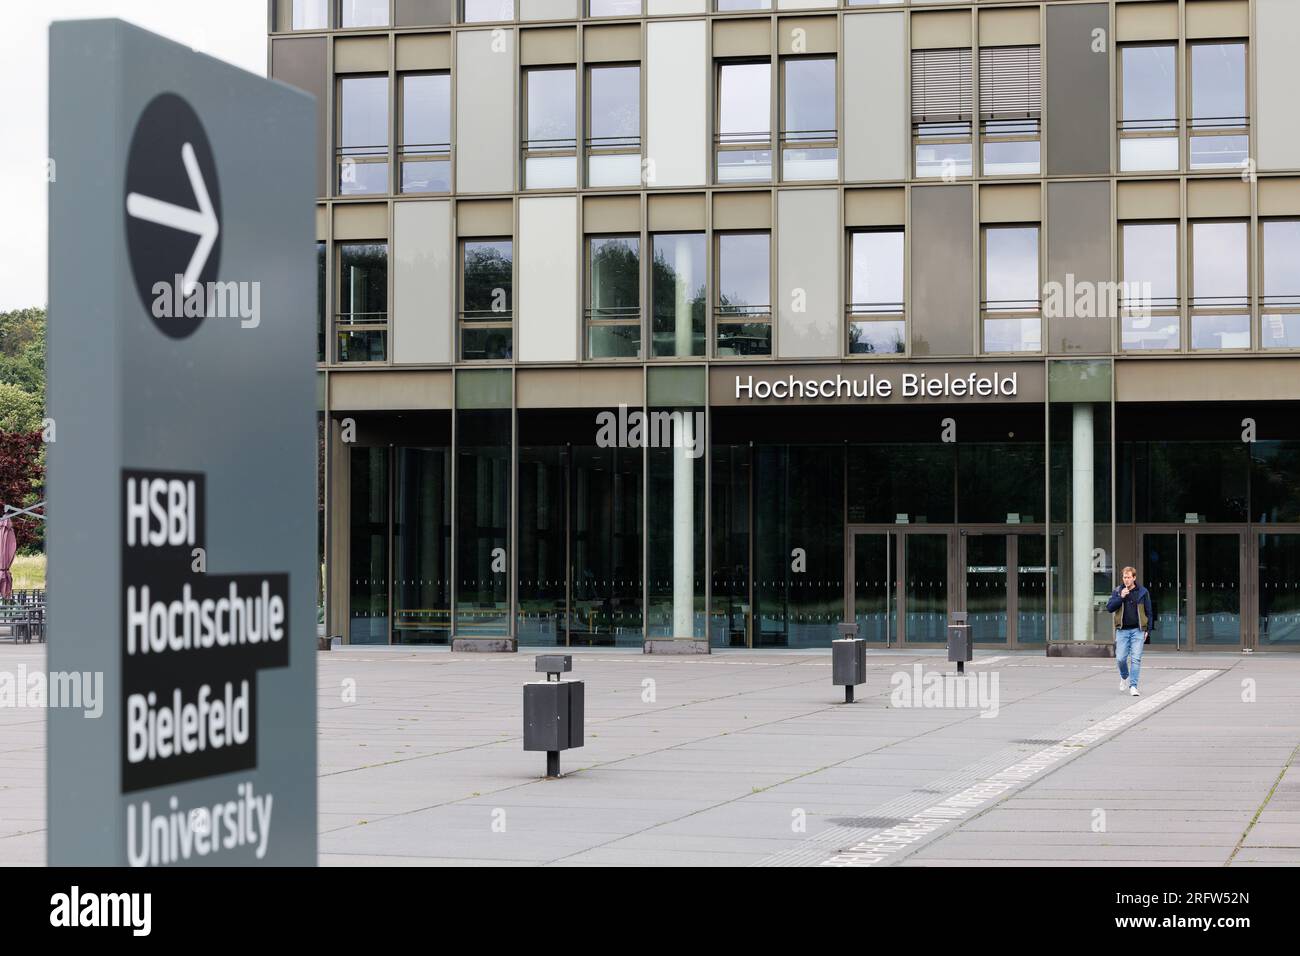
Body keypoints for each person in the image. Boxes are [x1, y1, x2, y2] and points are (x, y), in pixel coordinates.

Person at [1106, 566, 1151, 697]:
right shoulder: (1118, 591)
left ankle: (1133, 686)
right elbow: (1109, 608)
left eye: (1129, 577)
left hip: (1138, 630)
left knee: (1136, 659)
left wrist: (1147, 629)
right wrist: (1120, 597)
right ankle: (1124, 676)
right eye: (1124, 577)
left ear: (1134, 578)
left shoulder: (1142, 592)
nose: (1126, 580)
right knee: (1120, 659)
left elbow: (1149, 612)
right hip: (1122, 631)